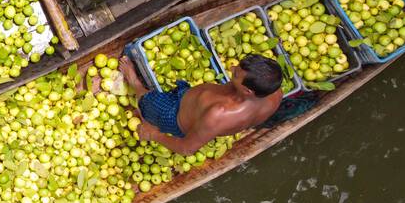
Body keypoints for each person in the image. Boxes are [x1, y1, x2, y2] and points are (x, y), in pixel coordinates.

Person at [120, 54, 284, 156]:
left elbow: (186, 149)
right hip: (192, 104)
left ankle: (134, 82)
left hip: (174, 115)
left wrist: (153, 134)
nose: (231, 67)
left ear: (247, 91)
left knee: (147, 103)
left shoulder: (218, 113)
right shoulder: (275, 94)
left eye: (235, 74)